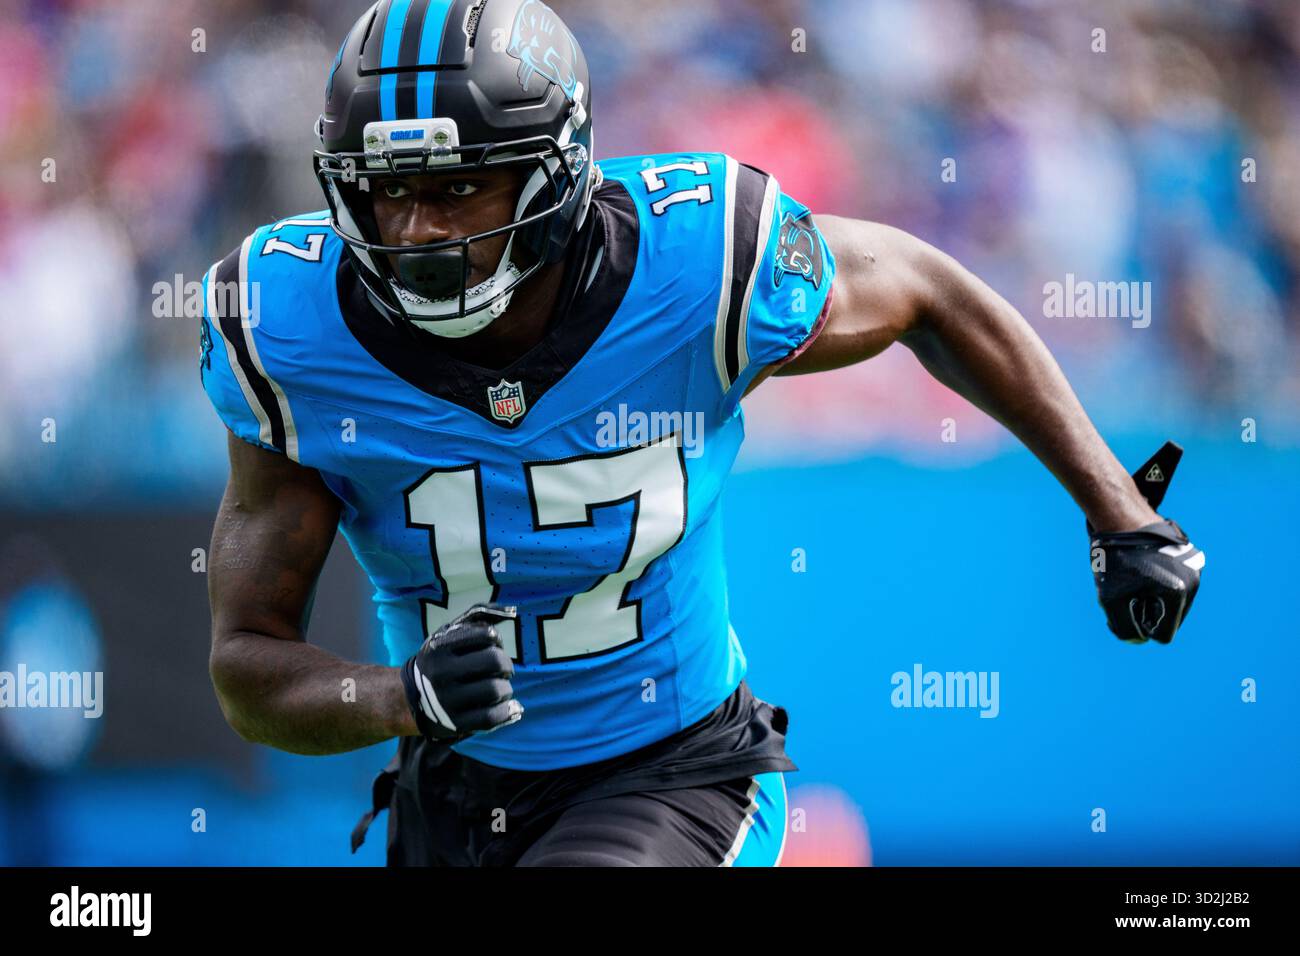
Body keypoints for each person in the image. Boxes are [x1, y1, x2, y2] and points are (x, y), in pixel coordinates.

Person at [200, 0, 1203, 867]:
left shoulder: (695, 265)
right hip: (452, 790)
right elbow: (247, 663)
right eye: (390, 191)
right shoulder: (288, 329)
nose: (417, 230)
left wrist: (1118, 509)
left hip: (674, 767)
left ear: (553, 175)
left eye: (457, 186)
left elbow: (928, 292)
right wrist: (396, 695)